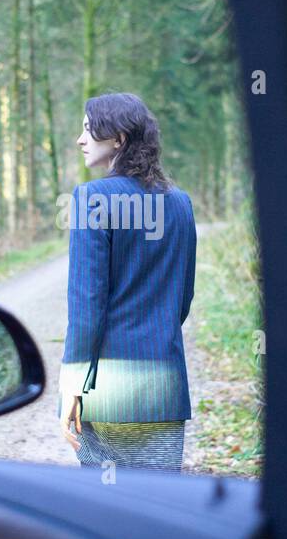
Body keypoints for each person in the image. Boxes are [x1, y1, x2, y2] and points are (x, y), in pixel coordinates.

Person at [58, 92, 197, 472]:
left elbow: (86, 307)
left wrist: (72, 385)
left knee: (108, 513)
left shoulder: (91, 198)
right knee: (159, 510)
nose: (80, 140)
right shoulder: (181, 203)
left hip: (107, 392)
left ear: (118, 139)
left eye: (88, 130)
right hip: (164, 389)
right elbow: (181, 301)